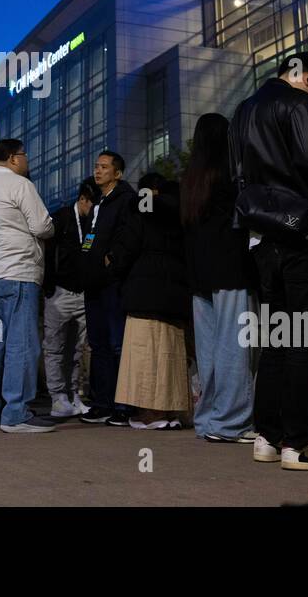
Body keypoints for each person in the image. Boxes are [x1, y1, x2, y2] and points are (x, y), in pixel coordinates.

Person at [230, 50, 308, 471]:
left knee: (276, 339)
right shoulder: (299, 104)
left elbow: (235, 172)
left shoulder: (242, 110)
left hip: (261, 235)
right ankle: (298, 442)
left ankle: (267, 436)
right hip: (301, 232)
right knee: (304, 337)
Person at [0, 138, 57, 433]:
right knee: (21, 345)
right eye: (24, 155)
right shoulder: (20, 185)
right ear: (13, 158)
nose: (27, 159)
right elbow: (43, 225)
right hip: (17, 276)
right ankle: (16, 413)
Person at [181, 113, 256, 444]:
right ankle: (231, 423)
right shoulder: (230, 174)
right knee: (233, 346)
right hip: (228, 268)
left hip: (199, 274)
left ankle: (209, 419)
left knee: (209, 350)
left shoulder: (191, 179)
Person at [109, 173, 191, 428]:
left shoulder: (142, 214)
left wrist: (112, 265)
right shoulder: (181, 216)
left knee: (143, 354)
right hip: (175, 295)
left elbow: (126, 250)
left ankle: (149, 413)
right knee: (170, 353)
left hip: (143, 292)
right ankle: (169, 411)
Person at [79, 149, 137, 426]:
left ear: (118, 173)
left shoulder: (126, 200)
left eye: (104, 167)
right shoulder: (99, 203)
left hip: (113, 285)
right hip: (93, 283)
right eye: (96, 165)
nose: (98, 170)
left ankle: (122, 405)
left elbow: (129, 238)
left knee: (117, 345)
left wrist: (112, 260)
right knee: (98, 344)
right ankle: (101, 402)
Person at [44, 179, 98, 418]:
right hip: (59, 292)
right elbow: (46, 253)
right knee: (55, 347)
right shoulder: (61, 218)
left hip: (83, 292)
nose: (95, 210)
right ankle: (57, 397)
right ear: (82, 199)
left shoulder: (93, 222)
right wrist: (47, 286)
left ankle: (74, 393)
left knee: (78, 349)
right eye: (92, 205)